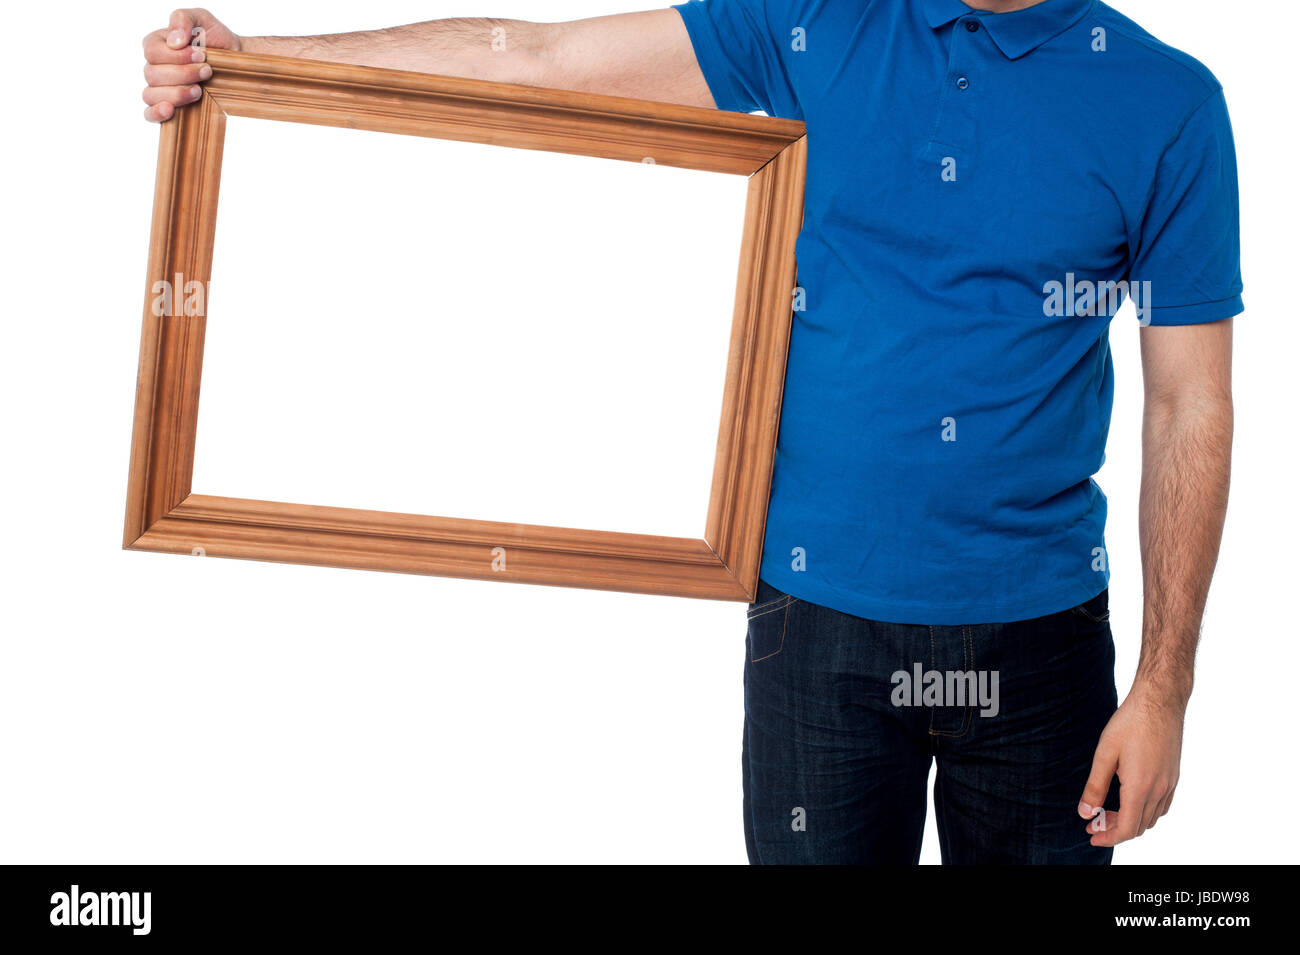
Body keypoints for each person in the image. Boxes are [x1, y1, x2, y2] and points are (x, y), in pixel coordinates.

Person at [142, 1, 1241, 864]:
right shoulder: (814, 18)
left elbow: (1189, 400)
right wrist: (250, 59)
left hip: (1043, 643)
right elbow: (534, 59)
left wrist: (1163, 688)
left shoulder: (1166, 99)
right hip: (818, 626)